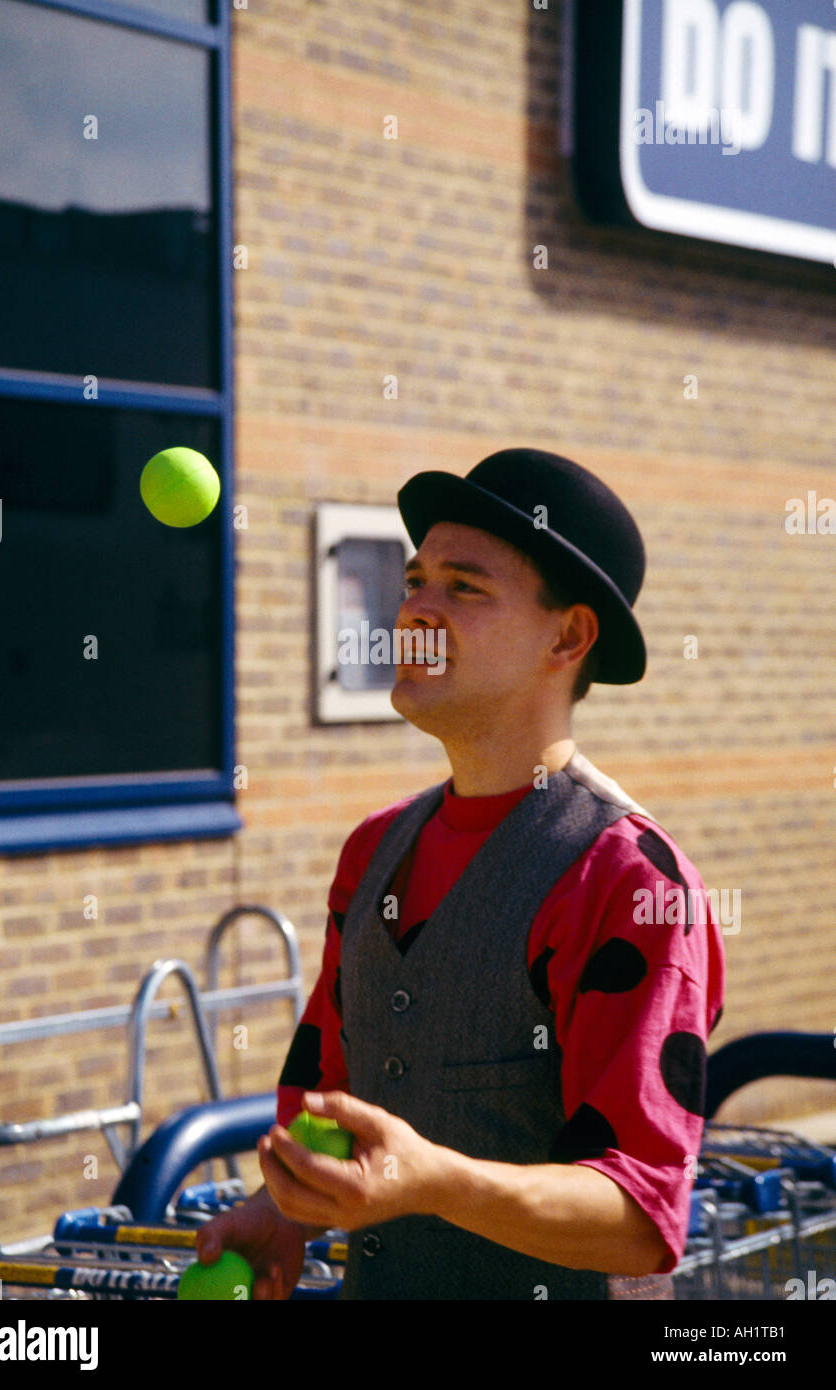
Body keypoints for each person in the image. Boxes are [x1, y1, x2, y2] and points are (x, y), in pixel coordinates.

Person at [196, 447, 726, 1300]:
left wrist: (435, 1182)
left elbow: (639, 1218)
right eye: (414, 581)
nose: (413, 610)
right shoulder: (372, 850)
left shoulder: (629, 879)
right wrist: (282, 1209)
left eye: (463, 588)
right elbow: (331, 1099)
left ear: (568, 635)